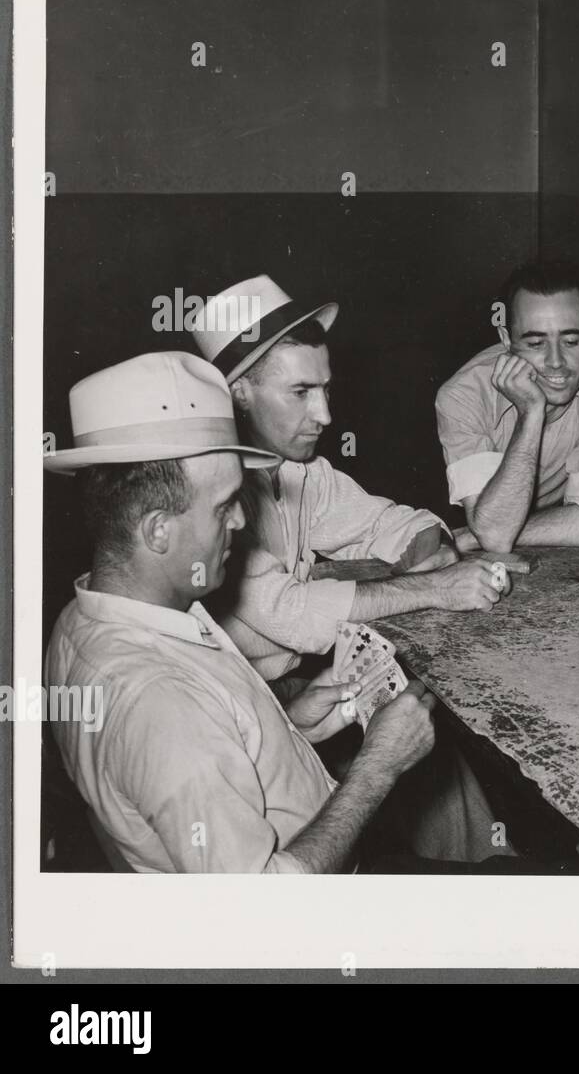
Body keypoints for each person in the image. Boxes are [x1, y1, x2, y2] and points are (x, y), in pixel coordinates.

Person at [44, 352, 438, 872]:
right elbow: (259, 914)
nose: (239, 520)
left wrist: (291, 726)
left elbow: (208, 763)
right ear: (158, 530)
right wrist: (378, 768)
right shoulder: (159, 705)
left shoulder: (88, 617)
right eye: (225, 503)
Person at [192, 275, 506, 685]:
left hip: (286, 688)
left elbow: (388, 522)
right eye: (301, 392)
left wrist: (437, 553)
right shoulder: (209, 498)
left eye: (325, 390)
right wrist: (434, 587)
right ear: (239, 393)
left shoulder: (302, 473)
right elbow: (294, 614)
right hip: (221, 700)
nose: (325, 416)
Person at [436, 260, 579, 552]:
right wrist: (531, 413)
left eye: (571, 341)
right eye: (536, 344)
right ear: (506, 340)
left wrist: (470, 536)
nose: (555, 361)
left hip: (497, 530)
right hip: (473, 516)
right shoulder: (462, 396)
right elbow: (494, 535)